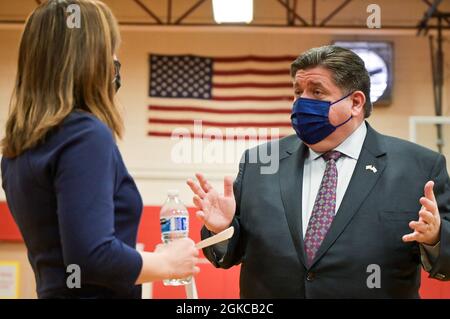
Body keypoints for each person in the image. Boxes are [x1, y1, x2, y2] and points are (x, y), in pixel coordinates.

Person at [187, 45, 450, 298]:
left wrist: (435, 239)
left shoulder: (419, 167)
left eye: (317, 92)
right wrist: (221, 230)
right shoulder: (261, 162)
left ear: (356, 103)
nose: (302, 102)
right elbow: (227, 255)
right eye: (298, 91)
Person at [1, 0, 199, 299]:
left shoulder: (17, 148)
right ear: (88, 58)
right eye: (110, 49)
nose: (115, 60)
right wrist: (167, 263)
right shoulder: (84, 134)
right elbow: (92, 256)